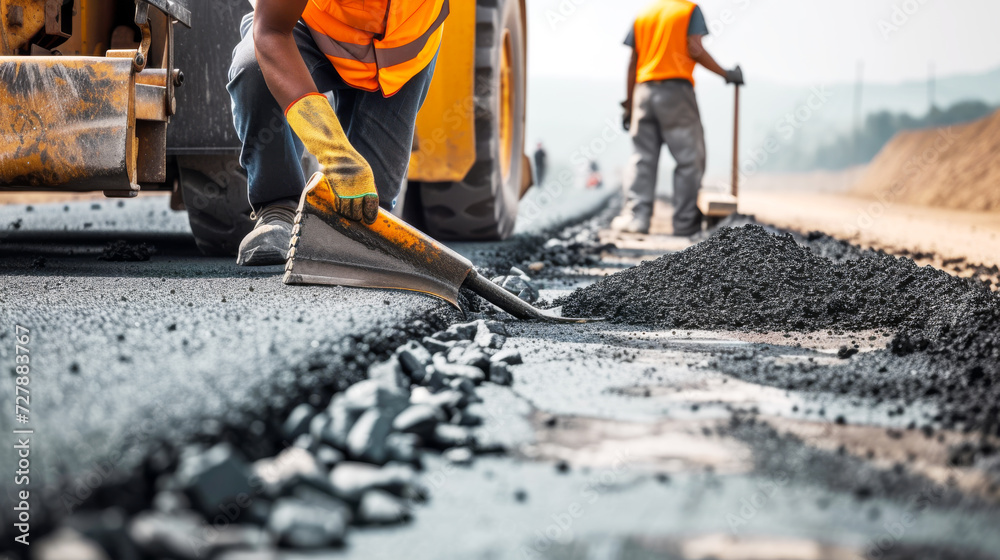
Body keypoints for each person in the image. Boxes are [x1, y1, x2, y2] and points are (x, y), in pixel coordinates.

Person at [227, 0, 448, 265]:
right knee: (254, 67)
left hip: (401, 50)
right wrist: (336, 154)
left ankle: (351, 233)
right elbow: (271, 30)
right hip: (311, 25)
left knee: (367, 212)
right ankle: (278, 209)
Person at [612, 0, 743, 236]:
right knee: (689, 159)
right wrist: (726, 74)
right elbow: (695, 48)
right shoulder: (688, 10)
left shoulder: (645, 14)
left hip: (643, 92)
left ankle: (637, 218)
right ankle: (684, 224)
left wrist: (630, 104)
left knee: (642, 158)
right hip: (675, 92)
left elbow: (633, 61)